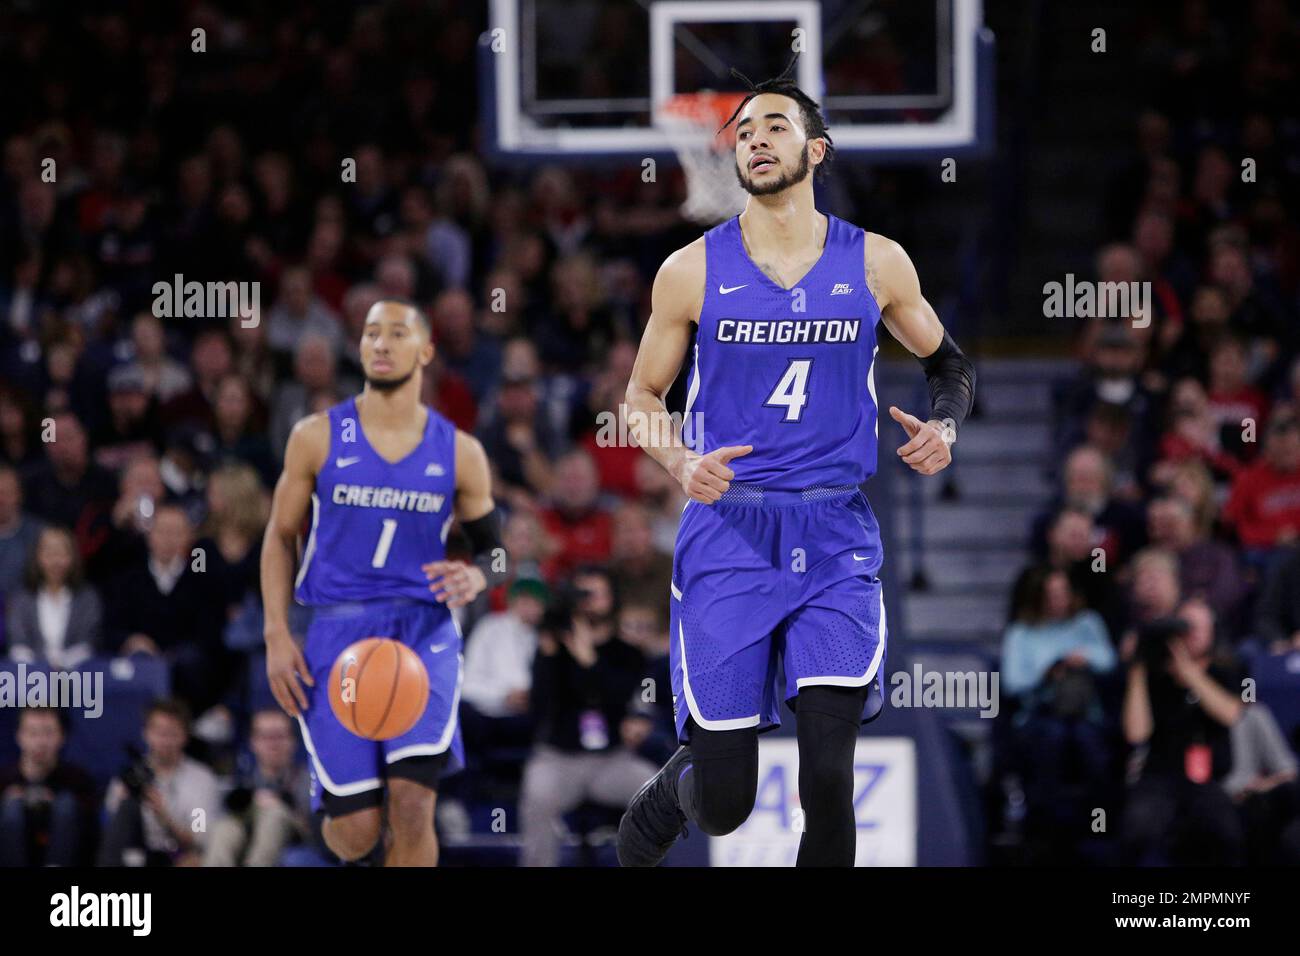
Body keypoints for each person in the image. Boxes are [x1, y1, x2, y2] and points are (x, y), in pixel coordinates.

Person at [617, 60, 975, 868]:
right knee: (727, 803)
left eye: (774, 125)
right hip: (730, 528)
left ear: (819, 149)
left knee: (827, 774)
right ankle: (676, 788)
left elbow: (950, 365)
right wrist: (678, 463)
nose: (755, 140)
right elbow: (639, 397)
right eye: (743, 132)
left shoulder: (878, 262)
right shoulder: (692, 270)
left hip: (835, 527)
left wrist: (945, 429)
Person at [261, 298, 503, 867]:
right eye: (370, 333)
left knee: (414, 804)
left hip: (423, 633)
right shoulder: (315, 436)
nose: (381, 344)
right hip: (335, 631)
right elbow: (278, 537)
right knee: (358, 832)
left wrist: (475, 574)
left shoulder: (461, 452)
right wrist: (276, 632)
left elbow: (497, 555)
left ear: (425, 351)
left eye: (397, 333)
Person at [1120, 598, 1246, 865]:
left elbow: (1231, 714)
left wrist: (1188, 672)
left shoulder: (1226, 670)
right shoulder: (1153, 675)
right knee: (1138, 828)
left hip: (1208, 778)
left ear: (1213, 631)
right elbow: (1136, 734)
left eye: (1200, 627)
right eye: (1186, 627)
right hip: (1158, 775)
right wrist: (1139, 667)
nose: (1193, 634)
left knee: (1226, 830)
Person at [98, 698, 221, 867]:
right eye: (159, 732)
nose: (164, 740)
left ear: (185, 736)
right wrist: (125, 803)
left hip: (176, 855)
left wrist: (165, 817)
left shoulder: (201, 781)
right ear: (146, 733)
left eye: (172, 733)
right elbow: (112, 828)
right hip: (134, 853)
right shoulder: (129, 776)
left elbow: (198, 838)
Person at [202, 709, 313, 867]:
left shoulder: (307, 779)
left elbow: (313, 829)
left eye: (280, 736)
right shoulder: (243, 777)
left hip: (295, 836)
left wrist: (280, 804)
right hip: (248, 832)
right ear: (253, 742)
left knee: (274, 814)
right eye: (266, 737)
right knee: (224, 829)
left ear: (293, 742)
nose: (273, 744)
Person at [0, 708, 97, 867]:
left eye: (48, 733)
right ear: (19, 736)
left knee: (66, 803)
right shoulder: (3, 780)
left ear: (62, 736)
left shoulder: (78, 781)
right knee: (12, 807)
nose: (40, 742)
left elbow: (92, 836)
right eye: (33, 733)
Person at [5, 525, 102, 668]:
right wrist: (41, 670)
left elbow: (89, 643)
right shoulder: (21, 599)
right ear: (37, 556)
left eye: (62, 552)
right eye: (49, 552)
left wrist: (61, 666)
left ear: (73, 556)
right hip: (29, 680)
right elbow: (18, 645)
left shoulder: (87, 598)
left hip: (79, 679)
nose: (56, 560)